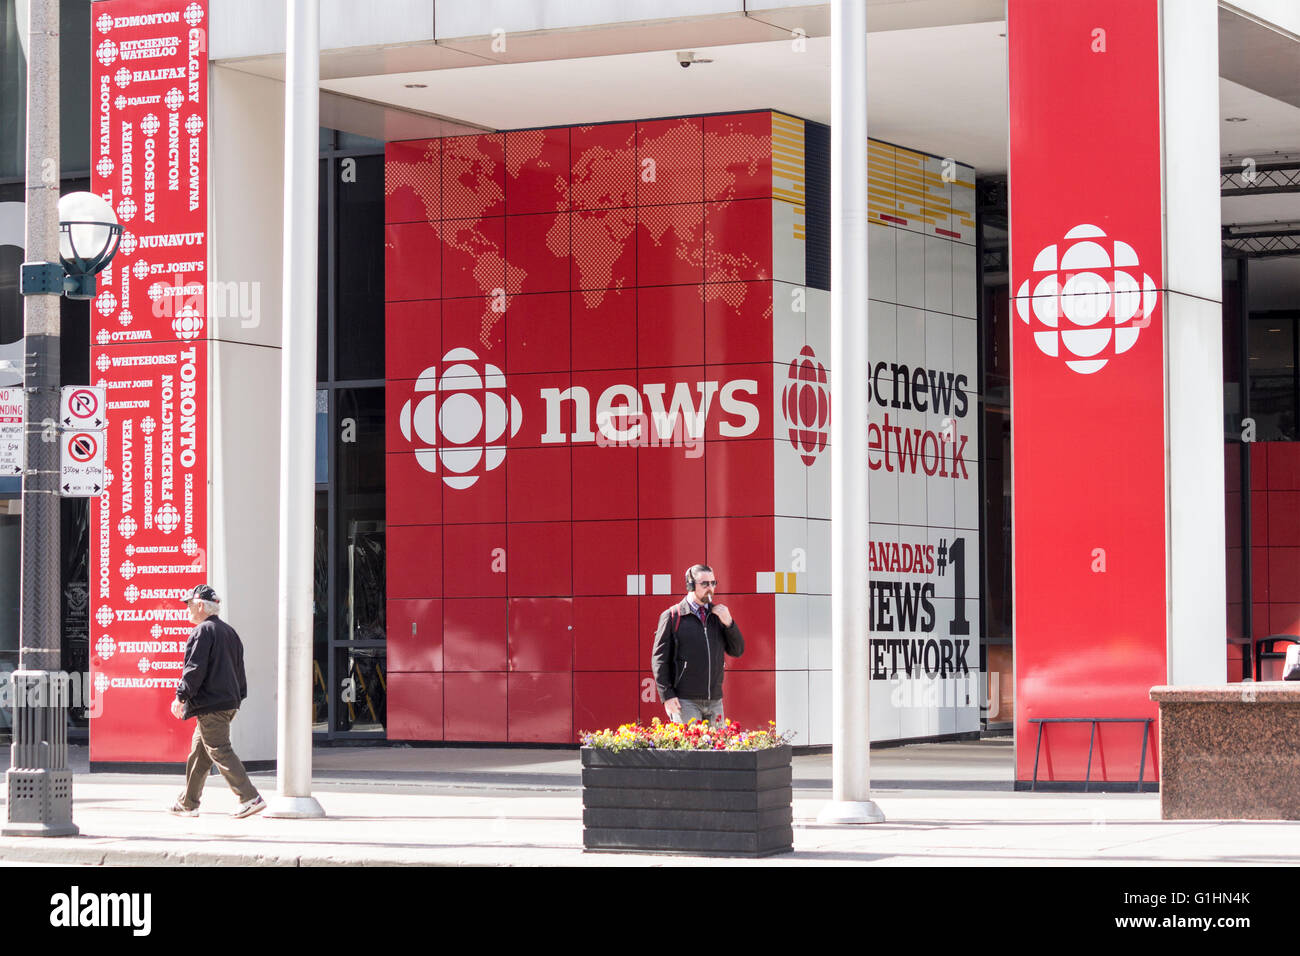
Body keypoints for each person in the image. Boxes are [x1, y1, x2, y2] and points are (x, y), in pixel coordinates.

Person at [168, 584, 265, 818]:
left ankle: (249, 797)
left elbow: (194, 669)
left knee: (219, 750)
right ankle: (188, 803)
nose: (188, 610)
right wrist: (238, 697)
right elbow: (240, 670)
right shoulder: (229, 632)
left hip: (212, 705)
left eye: (190, 605)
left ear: (201, 605)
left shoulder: (203, 631)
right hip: (226, 702)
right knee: (199, 753)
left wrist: (181, 695)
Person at [650, 564, 744, 727]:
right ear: (690, 585)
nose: (710, 588)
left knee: (718, 751)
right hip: (685, 702)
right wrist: (667, 696)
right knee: (690, 751)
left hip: (714, 701)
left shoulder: (718, 615)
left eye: (713, 583)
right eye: (705, 584)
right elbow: (659, 661)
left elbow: (737, 650)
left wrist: (729, 624)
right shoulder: (673, 616)